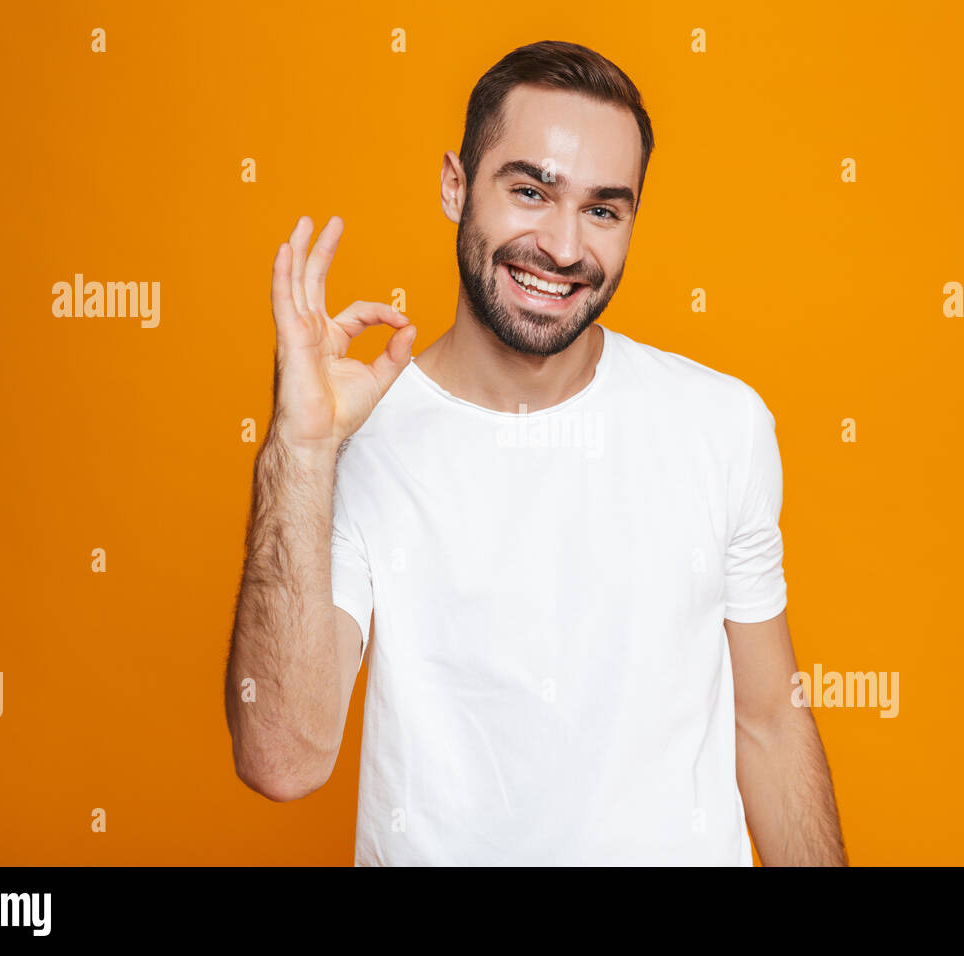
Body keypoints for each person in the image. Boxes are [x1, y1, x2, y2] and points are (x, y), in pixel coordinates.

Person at [225, 39, 846, 866]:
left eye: (602, 209)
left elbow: (768, 726)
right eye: (529, 191)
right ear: (457, 186)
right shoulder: (360, 441)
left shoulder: (720, 422)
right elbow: (283, 759)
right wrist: (302, 451)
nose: (561, 247)